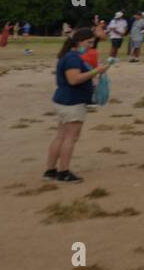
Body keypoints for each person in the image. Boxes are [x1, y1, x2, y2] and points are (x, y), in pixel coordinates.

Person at [46, 27, 112, 183]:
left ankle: (50, 171)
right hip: (72, 102)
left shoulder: (69, 56)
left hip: (63, 100)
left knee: (61, 136)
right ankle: (63, 172)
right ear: (79, 42)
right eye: (89, 42)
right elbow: (74, 79)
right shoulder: (73, 58)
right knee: (70, 138)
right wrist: (96, 71)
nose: (91, 45)